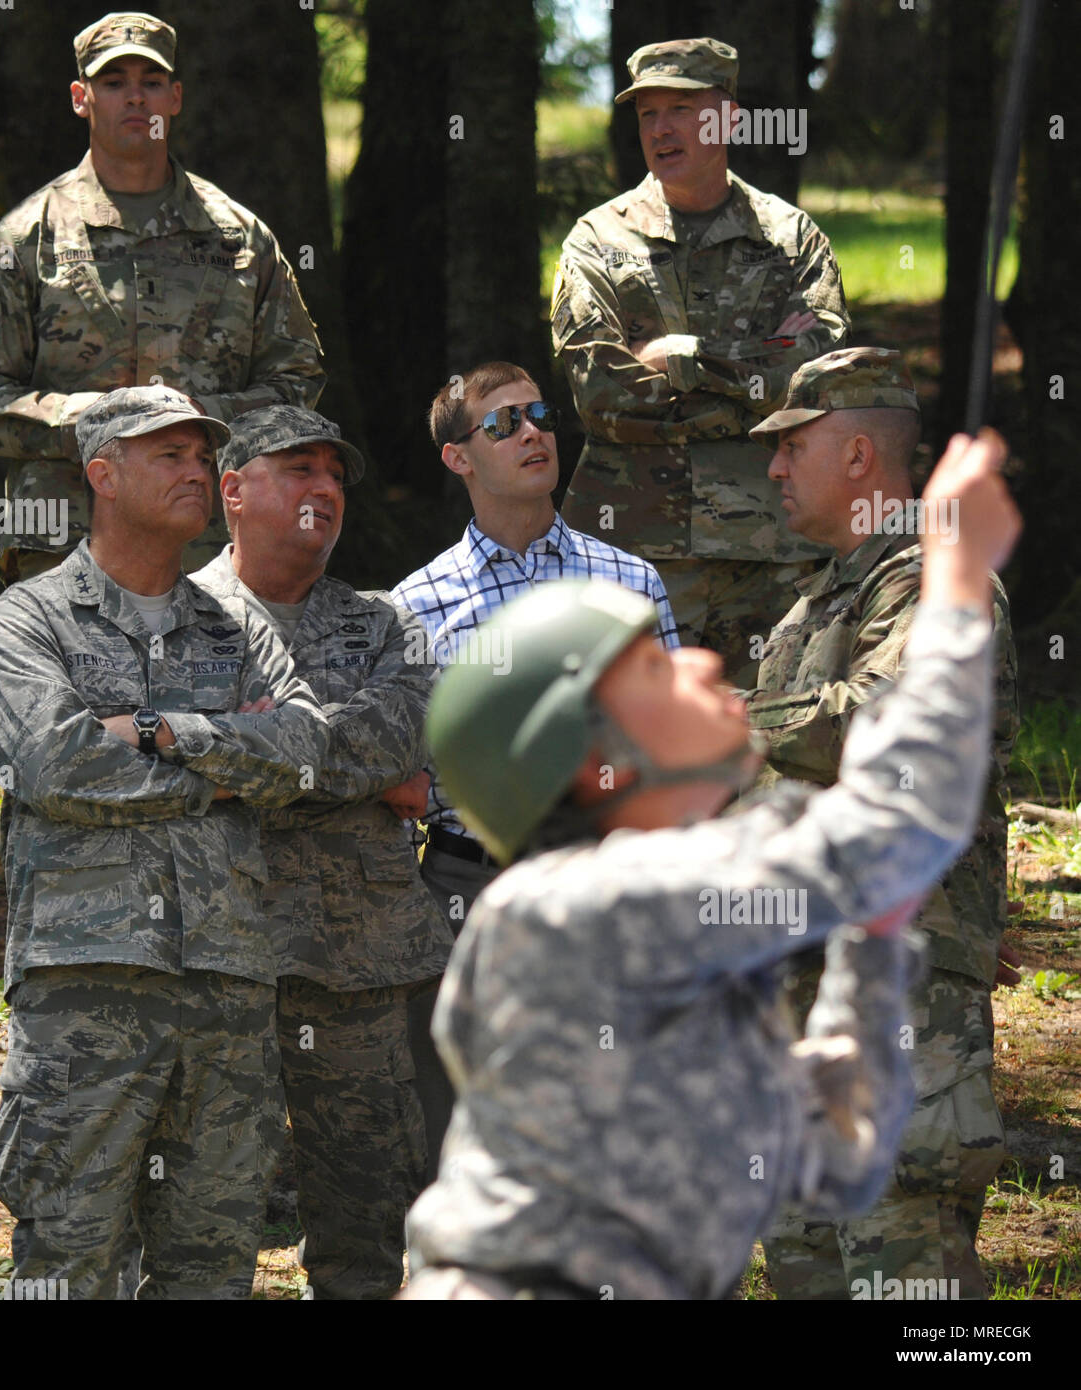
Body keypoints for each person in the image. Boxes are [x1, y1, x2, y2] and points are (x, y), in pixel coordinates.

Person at [401, 427, 1021, 1300]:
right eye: (652, 669)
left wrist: (871, 949)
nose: (700, 661)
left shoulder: (661, 938)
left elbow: (835, 1161)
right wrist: (954, 583)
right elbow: (898, 820)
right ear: (590, 761)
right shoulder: (595, 904)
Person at [0, 385, 334, 1299]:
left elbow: (300, 754)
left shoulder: (235, 623)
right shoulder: (30, 619)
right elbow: (56, 767)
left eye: (202, 456)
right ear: (103, 474)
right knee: (70, 1253)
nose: (197, 471)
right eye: (167, 454)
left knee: (210, 1265)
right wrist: (222, 764)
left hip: (226, 984)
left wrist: (160, 731)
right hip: (86, 986)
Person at [741, 346, 1019, 1300]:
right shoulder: (825, 594)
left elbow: (883, 721)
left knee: (908, 1278)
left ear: (858, 456)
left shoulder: (941, 577)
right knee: (810, 1261)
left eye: (791, 445)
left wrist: (723, 729)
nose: (772, 469)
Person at [390, 360, 679, 1178]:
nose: (532, 433)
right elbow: (402, 770)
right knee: (457, 1143)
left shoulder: (630, 582)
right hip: (465, 888)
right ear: (457, 458)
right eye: (502, 423)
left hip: (602, 886)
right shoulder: (413, 606)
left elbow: (670, 750)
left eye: (540, 415)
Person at [190, 406, 452, 1299]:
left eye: (334, 474)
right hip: (216, 959)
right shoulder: (176, 619)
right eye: (297, 468)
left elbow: (397, 745)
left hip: (360, 963)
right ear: (233, 490)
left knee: (367, 1230)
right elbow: (157, 761)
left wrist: (244, 750)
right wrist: (351, 766)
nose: (324, 488)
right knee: (198, 1224)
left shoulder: (384, 624)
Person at [0, 11, 324, 585]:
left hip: (208, 548)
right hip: (65, 540)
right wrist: (98, 423)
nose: (134, 99)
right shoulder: (27, 238)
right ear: (81, 97)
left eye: (150, 82)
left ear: (174, 97)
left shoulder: (239, 238)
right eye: (113, 82)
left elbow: (299, 382)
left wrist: (198, 424)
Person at [551, 36, 851, 687]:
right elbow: (599, 391)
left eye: (680, 109)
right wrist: (753, 386)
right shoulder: (596, 241)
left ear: (728, 119)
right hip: (634, 550)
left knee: (773, 744)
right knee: (629, 745)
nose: (660, 129)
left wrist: (682, 362)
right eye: (646, 113)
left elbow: (821, 377)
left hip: (771, 547)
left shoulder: (789, 240)